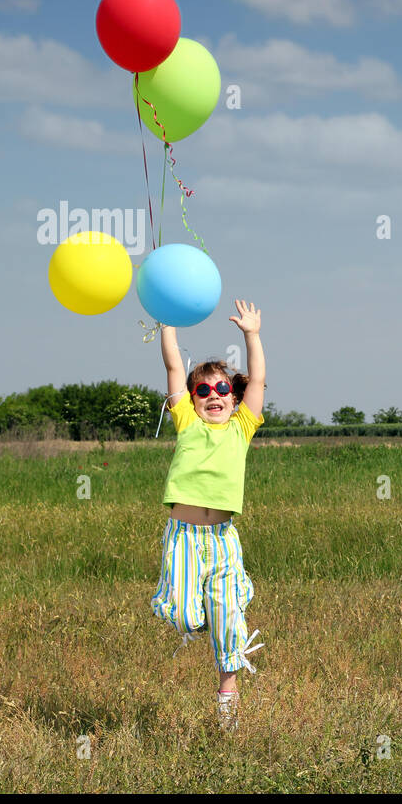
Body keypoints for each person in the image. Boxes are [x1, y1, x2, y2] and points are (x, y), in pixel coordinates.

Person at [150, 300, 266, 732]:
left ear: (234, 399)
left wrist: (251, 335)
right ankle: (197, 622)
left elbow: (260, 381)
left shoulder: (241, 428)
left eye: (221, 390)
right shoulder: (186, 422)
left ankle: (227, 703)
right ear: (192, 400)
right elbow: (173, 368)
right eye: (203, 391)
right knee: (183, 615)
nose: (212, 396)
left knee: (228, 619)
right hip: (182, 536)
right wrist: (169, 327)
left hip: (221, 539)